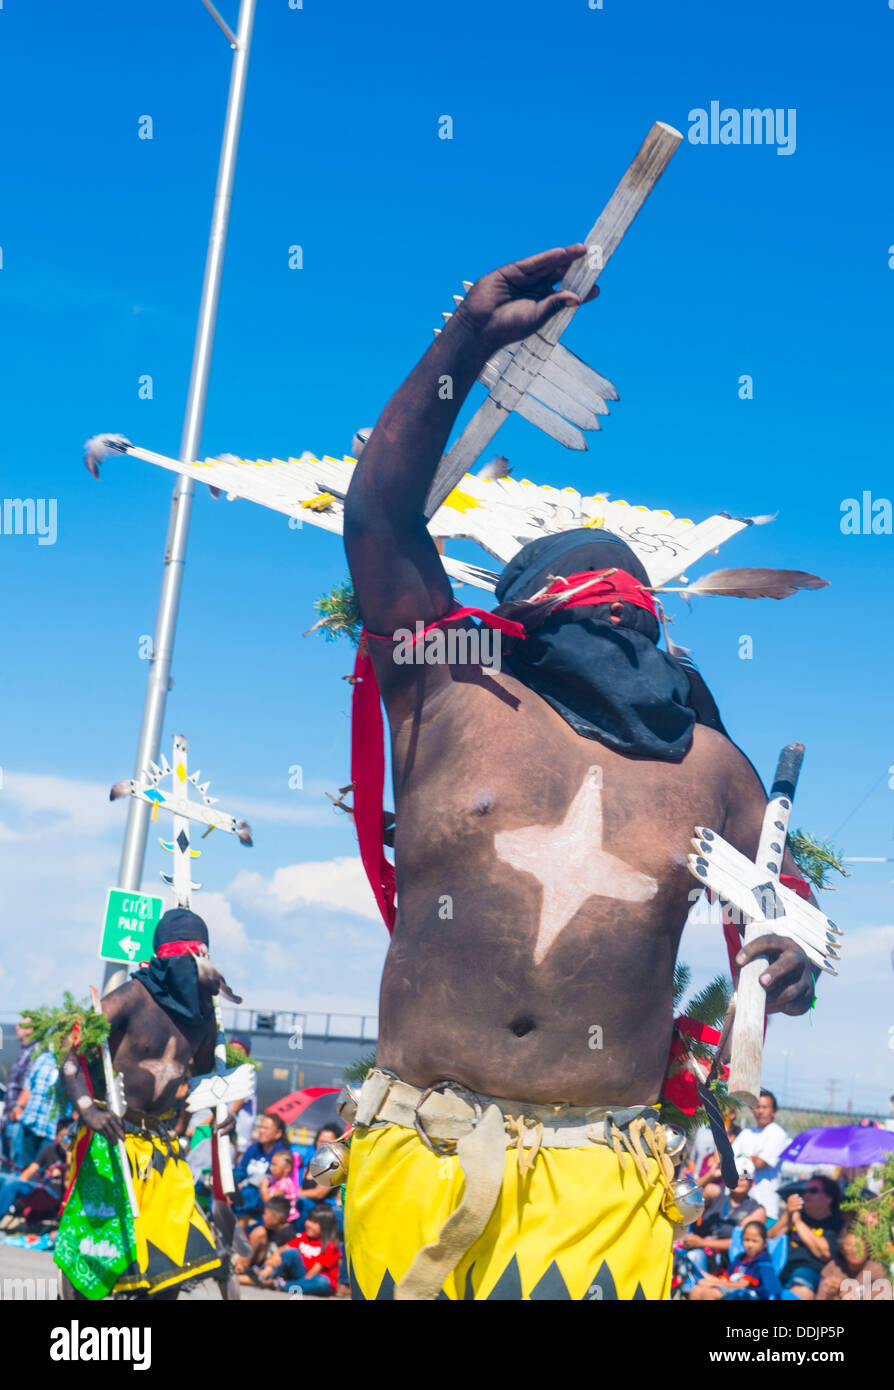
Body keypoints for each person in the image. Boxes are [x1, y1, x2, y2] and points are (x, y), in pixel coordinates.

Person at [340, 243, 819, 1301]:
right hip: (419, 1156)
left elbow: (785, 913)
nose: (611, 630)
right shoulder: (449, 684)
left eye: (628, 619)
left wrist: (788, 954)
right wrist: (464, 341)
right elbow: (379, 513)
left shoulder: (711, 765)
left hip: (606, 1184)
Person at [54, 908, 236, 1299]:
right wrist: (89, 1110)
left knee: (170, 1261)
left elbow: (206, 1079)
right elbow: (71, 1055)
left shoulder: (203, 1014)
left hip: (160, 1147)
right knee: (96, 1254)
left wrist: (220, 1109)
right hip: (111, 1139)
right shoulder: (129, 998)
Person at [679, 1157, 766, 1287]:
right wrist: (710, 1176)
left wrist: (702, 1242)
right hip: (693, 1245)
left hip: (725, 1261)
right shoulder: (716, 1192)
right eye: (735, 1175)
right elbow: (686, 1195)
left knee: (694, 1257)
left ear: (752, 1182)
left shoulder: (756, 1210)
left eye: (745, 1176)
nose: (740, 1180)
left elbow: (741, 1242)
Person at [770, 1175, 842, 1299]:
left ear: (829, 1198)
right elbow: (771, 1238)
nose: (806, 1195)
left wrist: (798, 1223)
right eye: (805, 1191)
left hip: (810, 1275)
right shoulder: (795, 1215)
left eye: (813, 1191)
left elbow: (825, 1253)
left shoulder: (836, 1224)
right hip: (781, 1270)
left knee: (801, 1278)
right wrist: (788, 1213)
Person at [0, 1115, 71, 1229]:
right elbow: (32, 1169)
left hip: (53, 1196)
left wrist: (69, 1157)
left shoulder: (75, 1156)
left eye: (69, 1137)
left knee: (11, 1184)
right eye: (62, 1136)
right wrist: (19, 1184)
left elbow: (68, 1185)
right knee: (5, 1179)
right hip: (40, 1189)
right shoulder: (50, 1149)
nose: (65, 1140)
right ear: (57, 1136)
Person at [731, 1091, 789, 1221]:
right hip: (740, 1205)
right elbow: (728, 1162)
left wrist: (740, 1161)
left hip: (766, 1206)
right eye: (757, 1107)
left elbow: (759, 1164)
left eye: (765, 1107)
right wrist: (748, 1160)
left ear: (774, 1111)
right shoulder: (746, 1133)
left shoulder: (778, 1134)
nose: (760, 1111)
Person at [261, 1204, 341, 1297]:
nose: (309, 1224)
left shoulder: (330, 1245)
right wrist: (275, 1256)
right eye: (309, 1220)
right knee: (291, 1252)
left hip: (315, 1279)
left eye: (315, 1222)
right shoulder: (304, 1237)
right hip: (301, 1275)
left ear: (326, 1228)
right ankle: (266, 1274)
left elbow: (316, 1269)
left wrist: (303, 1282)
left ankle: (281, 1285)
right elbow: (284, 1249)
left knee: (323, 1282)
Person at [688, 1222, 782, 1300]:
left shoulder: (762, 1262)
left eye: (754, 1241)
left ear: (764, 1243)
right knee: (696, 1290)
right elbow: (725, 1278)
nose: (750, 1245)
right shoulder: (740, 1258)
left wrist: (713, 1283)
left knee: (711, 1293)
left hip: (746, 1294)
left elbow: (742, 1285)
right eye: (747, 1240)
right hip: (730, 1288)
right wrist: (705, 1276)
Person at [233, 1111, 292, 1218]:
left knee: (245, 1195)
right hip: (244, 1188)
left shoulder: (280, 1154)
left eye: (266, 1128)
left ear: (278, 1133)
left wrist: (242, 1185)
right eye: (260, 1127)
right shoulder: (254, 1148)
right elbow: (241, 1170)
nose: (261, 1131)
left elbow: (270, 1178)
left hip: (262, 1193)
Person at [817, 1222, 892, 1301]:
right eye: (850, 1245)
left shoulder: (877, 1271)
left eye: (860, 1245)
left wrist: (841, 1292)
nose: (856, 1250)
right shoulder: (832, 1269)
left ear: (868, 1248)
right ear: (842, 1249)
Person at [234, 1194, 297, 1283]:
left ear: (276, 1218)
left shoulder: (288, 1234)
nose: (263, 1216)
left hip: (272, 1271)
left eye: (266, 1214)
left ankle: (243, 1279)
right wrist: (240, 1262)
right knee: (259, 1232)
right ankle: (242, 1269)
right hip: (258, 1265)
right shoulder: (267, 1228)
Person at [0, 1020, 36, 1170]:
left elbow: (29, 1083)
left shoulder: (35, 1051)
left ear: (30, 1030)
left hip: (18, 1118)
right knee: (7, 1164)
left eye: (21, 1025)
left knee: (17, 1166)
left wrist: (19, 1108)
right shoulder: (24, 1051)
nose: (16, 1027)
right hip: (9, 1116)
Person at [260, 1147, 300, 1223]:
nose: (271, 1168)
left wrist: (263, 1188)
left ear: (287, 1168)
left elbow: (269, 1203)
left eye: (275, 1165)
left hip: (285, 1220)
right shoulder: (276, 1180)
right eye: (271, 1164)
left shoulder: (284, 1184)